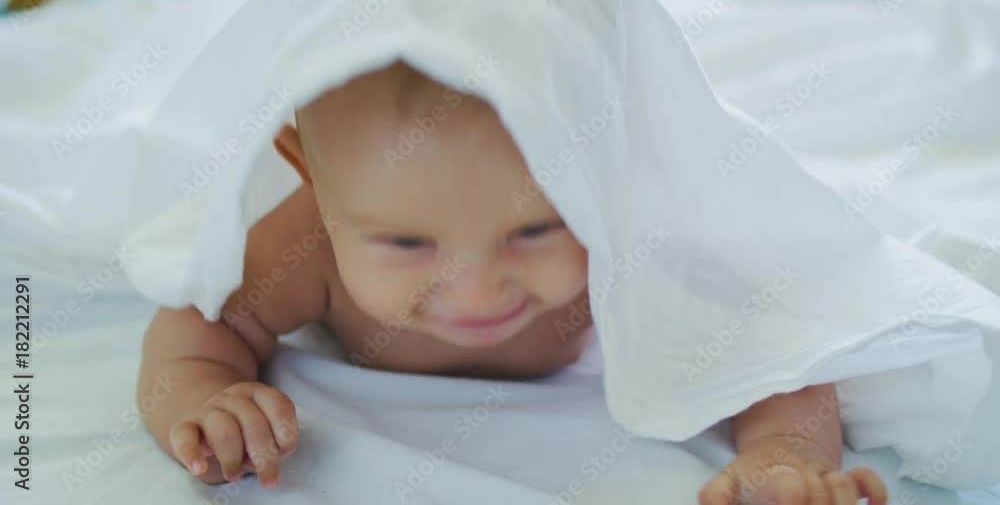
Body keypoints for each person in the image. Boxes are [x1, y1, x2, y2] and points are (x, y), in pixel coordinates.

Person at [136, 60, 888, 505]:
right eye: (406, 240)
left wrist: (785, 451)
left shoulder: (624, 237)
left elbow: (764, 339)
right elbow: (208, 321)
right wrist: (202, 393)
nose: (476, 289)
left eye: (534, 230)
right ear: (310, 175)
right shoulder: (306, 241)